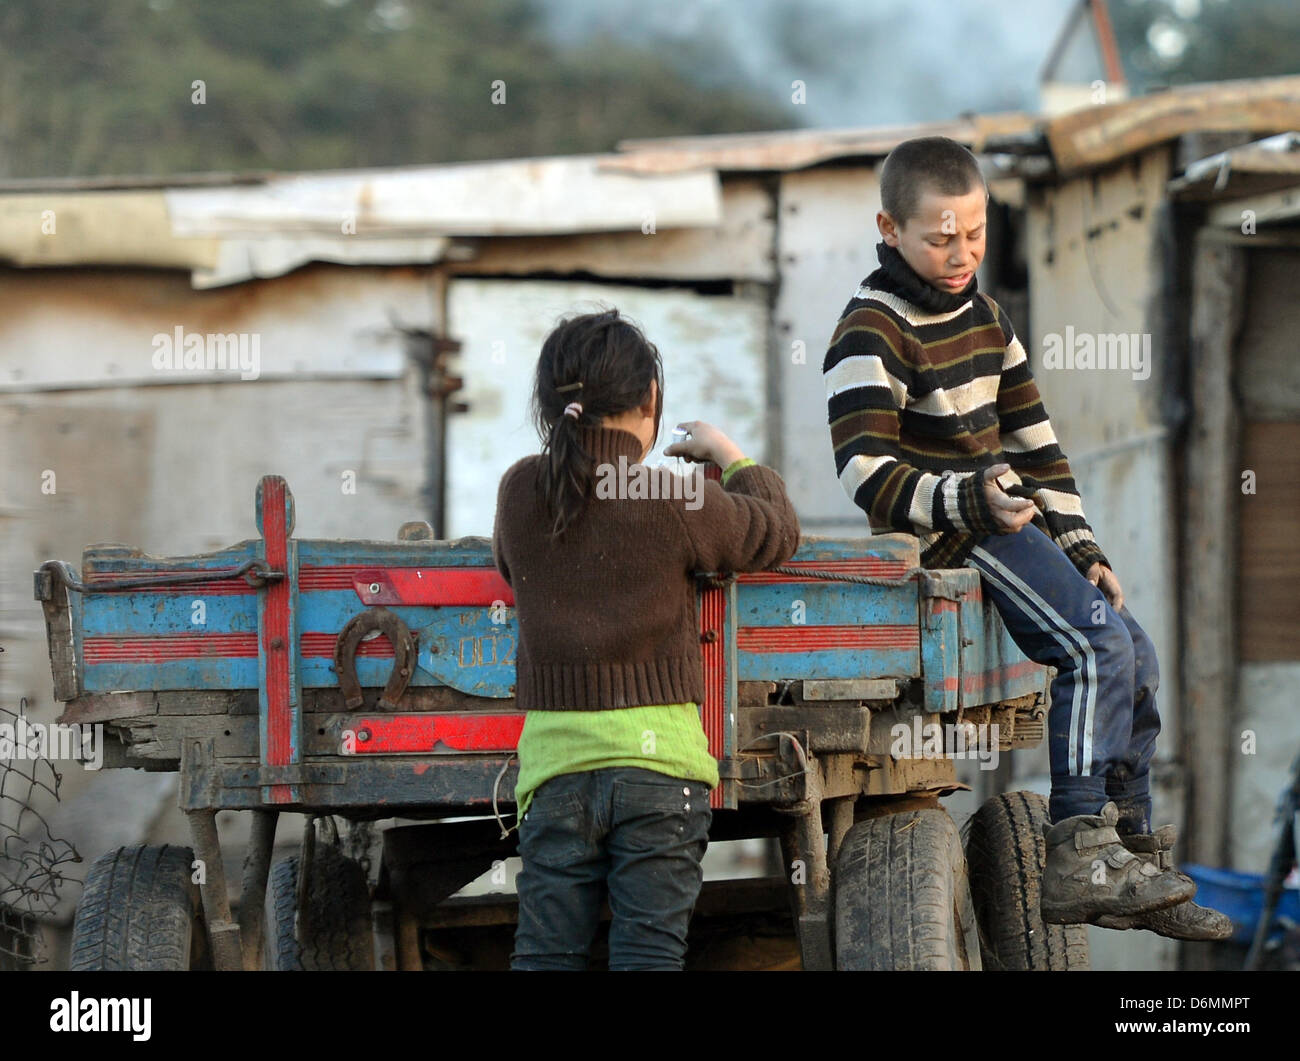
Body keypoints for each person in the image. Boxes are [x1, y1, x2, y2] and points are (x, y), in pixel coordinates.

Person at [821, 136, 1229, 939]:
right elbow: (864, 472)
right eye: (941, 238)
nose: (962, 252)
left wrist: (1085, 548)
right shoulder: (869, 328)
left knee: (1134, 651)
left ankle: (1131, 850)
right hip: (946, 536)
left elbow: (1038, 448)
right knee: (1090, 649)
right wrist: (967, 498)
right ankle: (1078, 849)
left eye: (974, 234)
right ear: (889, 227)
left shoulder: (987, 317)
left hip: (1007, 518)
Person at [493, 308, 800, 969]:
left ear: (553, 404)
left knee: (545, 956)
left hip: (556, 773)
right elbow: (778, 530)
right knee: (649, 957)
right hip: (662, 775)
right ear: (650, 401)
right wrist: (730, 455)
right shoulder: (673, 495)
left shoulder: (520, 490)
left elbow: (509, 563)